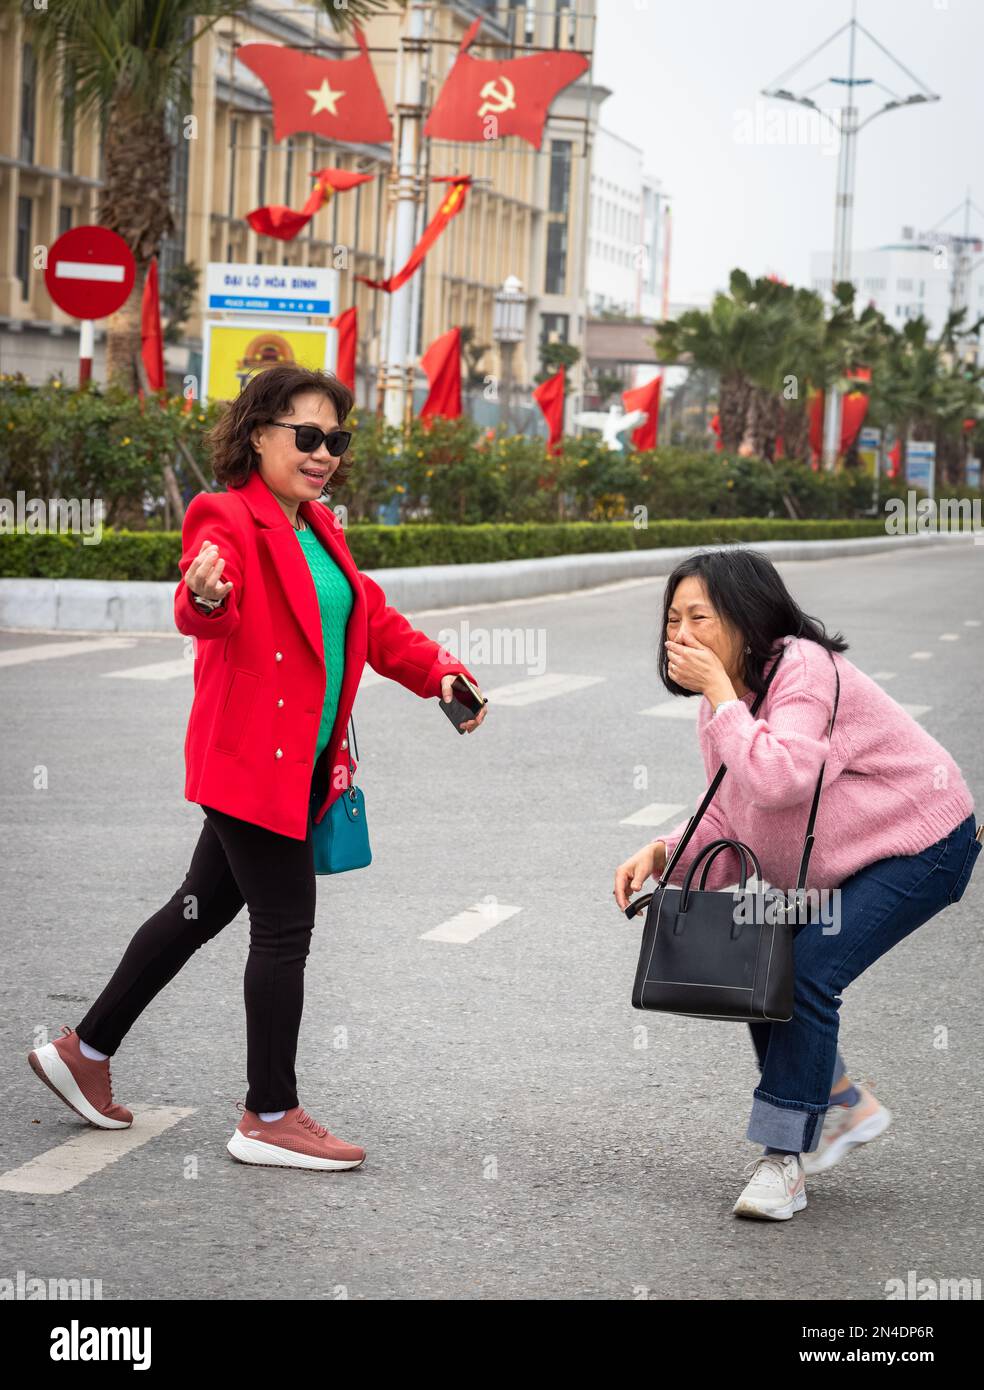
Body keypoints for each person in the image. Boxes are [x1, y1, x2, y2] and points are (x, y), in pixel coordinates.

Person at [29, 363, 487, 1172]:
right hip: (251, 766)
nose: (323, 454)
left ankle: (84, 1051)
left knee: (199, 909)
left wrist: (437, 671)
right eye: (306, 437)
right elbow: (206, 598)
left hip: (299, 768)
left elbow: (370, 619)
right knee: (284, 929)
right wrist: (204, 596)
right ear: (258, 435)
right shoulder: (227, 516)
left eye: (335, 440)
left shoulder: (319, 526)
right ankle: (268, 1112)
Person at [613, 547, 980, 1221]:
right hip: (850, 852)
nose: (681, 635)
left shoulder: (803, 671)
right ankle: (839, 1103)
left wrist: (724, 699)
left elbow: (782, 780)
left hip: (926, 840)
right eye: (672, 620)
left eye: (700, 617)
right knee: (765, 967)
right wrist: (667, 854)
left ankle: (784, 1160)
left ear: (746, 620)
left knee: (806, 971)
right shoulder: (724, 702)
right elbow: (733, 807)